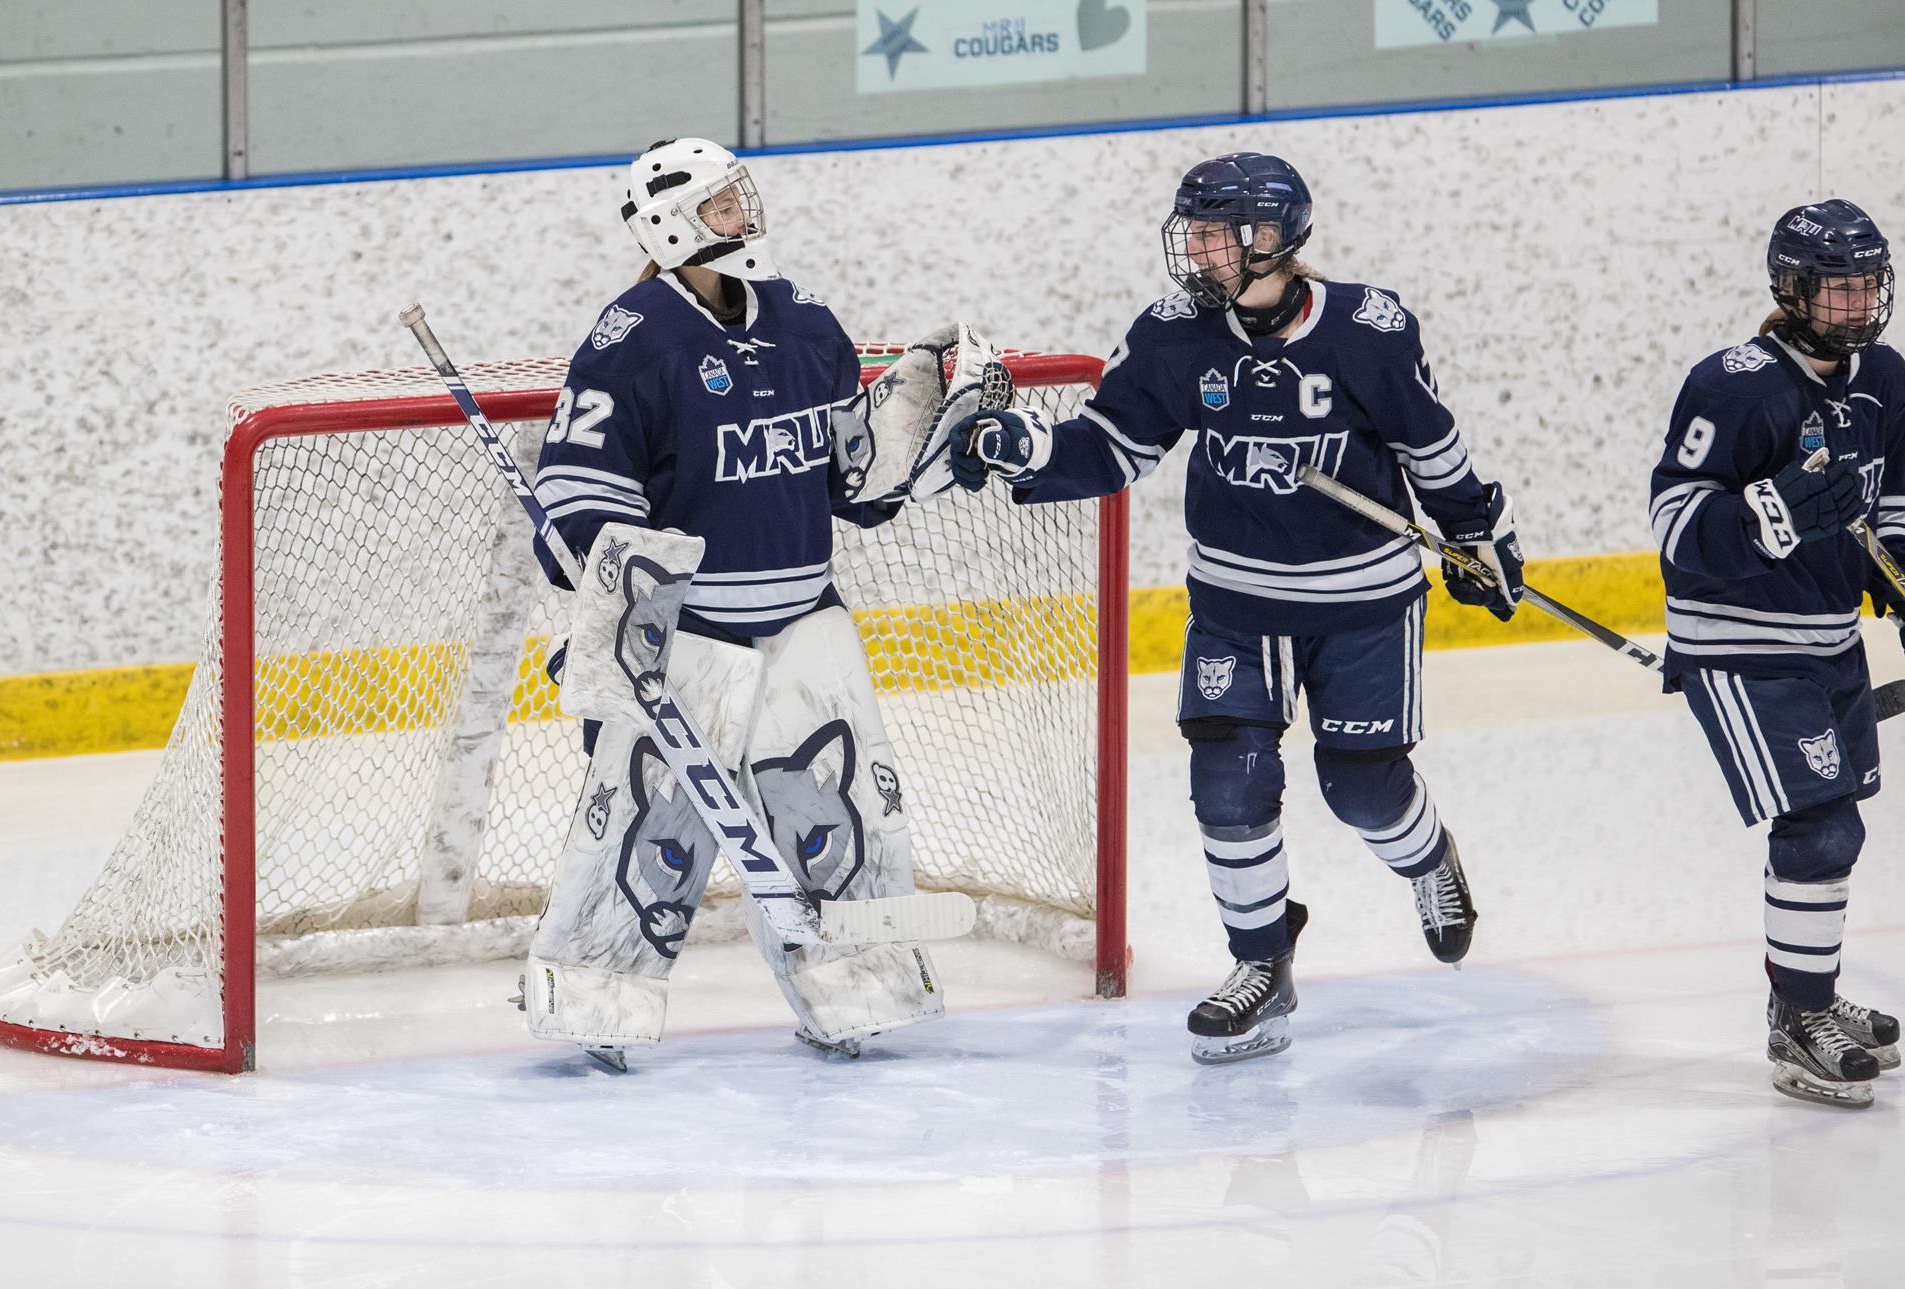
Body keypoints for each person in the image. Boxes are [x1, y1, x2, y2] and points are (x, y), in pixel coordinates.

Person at [943, 151, 1526, 1063]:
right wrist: (1028, 448)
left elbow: (1431, 445)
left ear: (1274, 238)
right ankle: (1262, 964)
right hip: (1235, 605)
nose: (1198, 250)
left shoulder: (1367, 331)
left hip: (1362, 605)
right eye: (1196, 232)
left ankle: (1430, 862)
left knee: (1362, 786)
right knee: (1229, 786)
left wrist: (1477, 534)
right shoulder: (1173, 334)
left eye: (1219, 233)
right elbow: (1113, 446)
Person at [519, 138, 943, 1069]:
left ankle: (856, 990)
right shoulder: (633, 340)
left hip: (806, 622)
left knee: (843, 824)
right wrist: (611, 589)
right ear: (671, 224)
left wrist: (913, 442)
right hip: (688, 637)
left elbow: (853, 487)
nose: (742, 214)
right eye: (719, 204)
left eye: (738, 197)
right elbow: (579, 494)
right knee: (650, 827)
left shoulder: (806, 322)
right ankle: (595, 1000)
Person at [1648, 198, 1903, 1108]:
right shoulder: (1735, 385)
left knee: (1837, 827)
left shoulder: (1886, 377)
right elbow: (1674, 523)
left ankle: (1805, 995)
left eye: (1867, 284)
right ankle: (1801, 1015)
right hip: (1740, 641)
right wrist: (1771, 514)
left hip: (1830, 640)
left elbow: (1893, 501)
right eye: (1837, 287)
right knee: (1820, 826)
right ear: (1791, 289)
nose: (1857, 302)